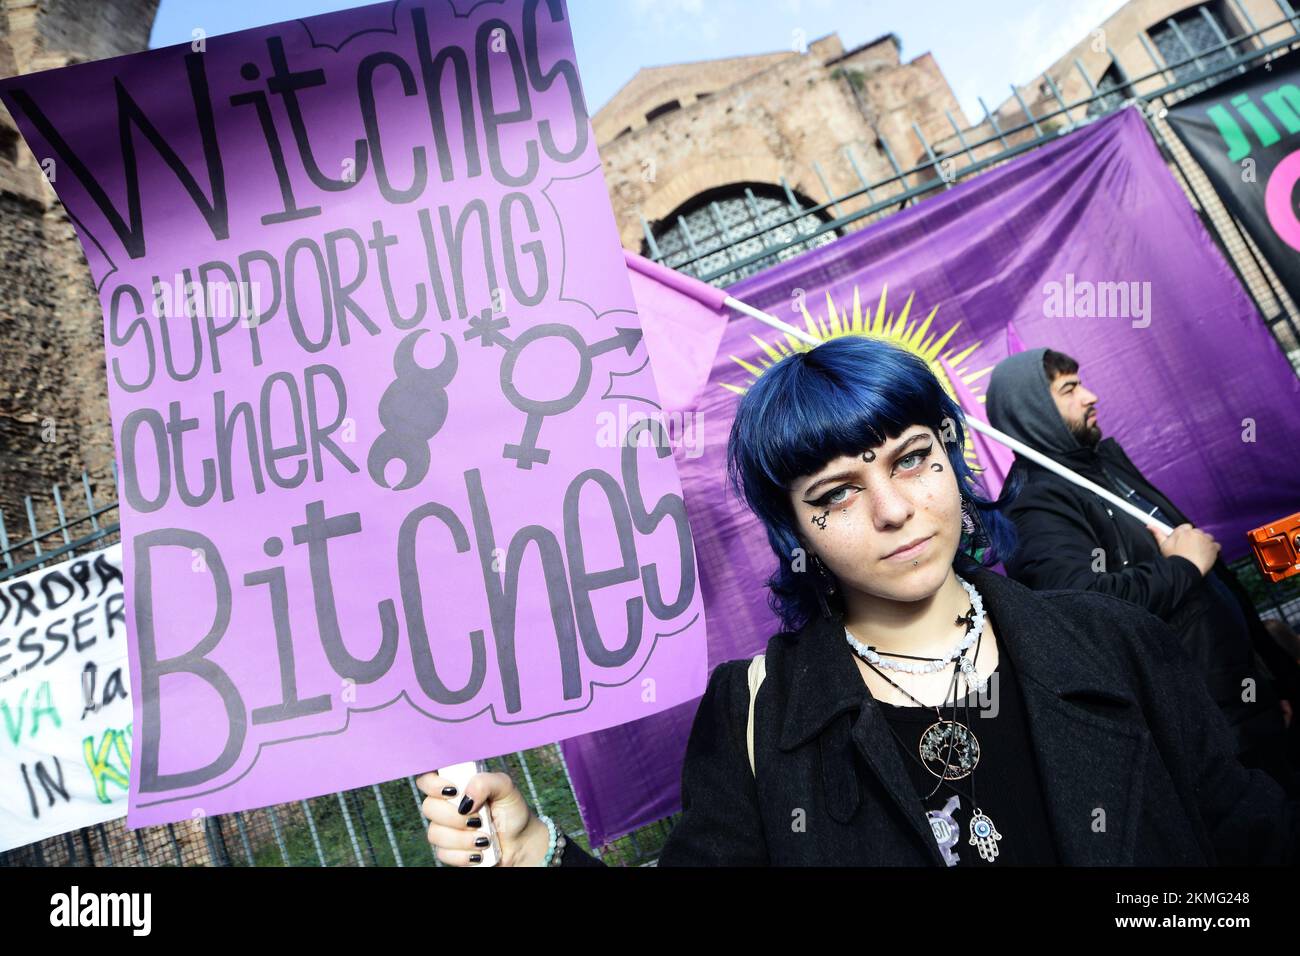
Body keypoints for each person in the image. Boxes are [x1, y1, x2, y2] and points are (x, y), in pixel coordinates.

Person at [418, 336, 1299, 866]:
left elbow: (1241, 844)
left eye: (912, 457)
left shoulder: (1112, 639)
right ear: (795, 531)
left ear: (952, 459)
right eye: (834, 492)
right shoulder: (754, 715)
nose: (892, 508)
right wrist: (534, 851)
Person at [985, 347, 1298, 791]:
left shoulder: (1102, 465)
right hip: (1206, 733)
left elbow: (1208, 581)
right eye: (1070, 389)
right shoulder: (1035, 505)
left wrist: (1269, 684)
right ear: (1033, 410)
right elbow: (1079, 605)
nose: (1091, 396)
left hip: (1248, 703)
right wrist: (1183, 567)